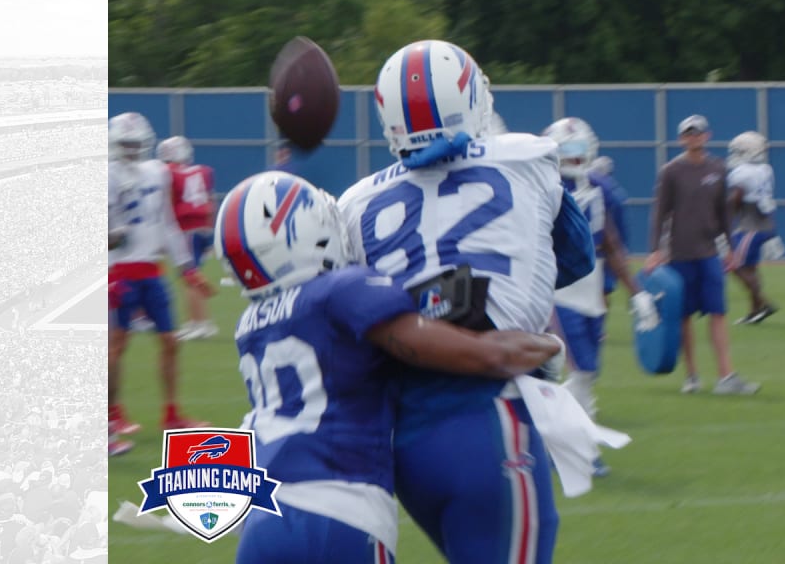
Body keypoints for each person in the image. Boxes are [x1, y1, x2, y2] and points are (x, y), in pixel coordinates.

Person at [338, 39, 599, 564]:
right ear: (474, 97)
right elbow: (575, 260)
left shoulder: (355, 202)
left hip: (401, 435)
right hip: (489, 418)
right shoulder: (526, 159)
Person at [217, 171, 562, 564]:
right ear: (303, 230)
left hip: (262, 523)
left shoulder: (250, 325)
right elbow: (479, 354)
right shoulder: (342, 290)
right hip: (338, 512)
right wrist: (544, 346)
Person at [542, 118, 657, 419]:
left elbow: (612, 244)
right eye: (566, 149)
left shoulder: (599, 190)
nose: (574, 156)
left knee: (588, 372)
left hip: (591, 295)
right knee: (581, 371)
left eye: (579, 148)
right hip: (560, 292)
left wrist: (638, 293)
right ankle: (581, 440)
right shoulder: (543, 189)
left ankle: (546, 417)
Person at [108, 112, 213, 435]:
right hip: (120, 271)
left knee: (170, 341)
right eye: (126, 144)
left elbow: (166, 222)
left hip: (152, 271)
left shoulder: (156, 174)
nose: (132, 150)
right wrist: (112, 235)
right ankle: (111, 415)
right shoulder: (106, 176)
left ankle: (172, 413)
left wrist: (188, 269)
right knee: (117, 344)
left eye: (136, 144)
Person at [644, 114, 760, 395]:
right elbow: (660, 212)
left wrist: (730, 248)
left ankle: (726, 375)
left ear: (707, 136)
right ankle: (692, 375)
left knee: (718, 313)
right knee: (684, 315)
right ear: (681, 138)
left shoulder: (718, 169)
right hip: (680, 254)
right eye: (688, 133)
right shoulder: (671, 171)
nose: (693, 137)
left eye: (698, 133)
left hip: (709, 253)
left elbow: (724, 213)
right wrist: (655, 250)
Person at [157, 135, 220, 341]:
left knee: (190, 278)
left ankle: (200, 323)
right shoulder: (202, 171)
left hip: (187, 231)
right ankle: (198, 322)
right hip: (201, 228)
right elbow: (210, 200)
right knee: (192, 277)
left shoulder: (170, 173)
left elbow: (168, 204)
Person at [725, 131, 783, 325]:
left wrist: (724, 222)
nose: (735, 154)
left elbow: (736, 198)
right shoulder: (765, 169)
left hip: (750, 225)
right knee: (750, 267)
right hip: (764, 222)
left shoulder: (742, 173)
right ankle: (754, 311)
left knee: (733, 264)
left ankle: (763, 303)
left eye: (739, 151)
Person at [589, 155, 630, 306]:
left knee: (600, 293)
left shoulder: (611, 196)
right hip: (602, 250)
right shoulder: (617, 195)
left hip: (600, 250)